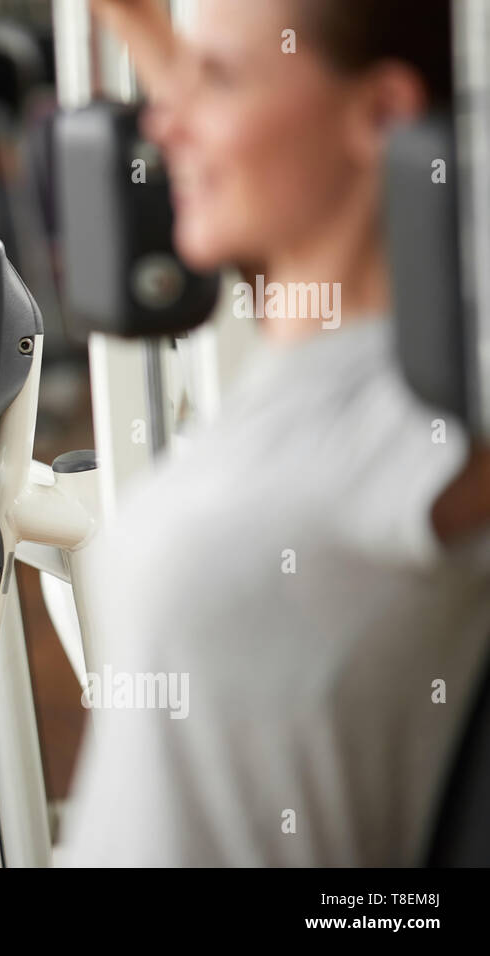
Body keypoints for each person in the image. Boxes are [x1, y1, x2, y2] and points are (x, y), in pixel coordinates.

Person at [59, 0, 490, 866]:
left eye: (217, 80)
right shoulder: (296, 379)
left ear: (380, 114)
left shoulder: (423, 419)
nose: (162, 124)